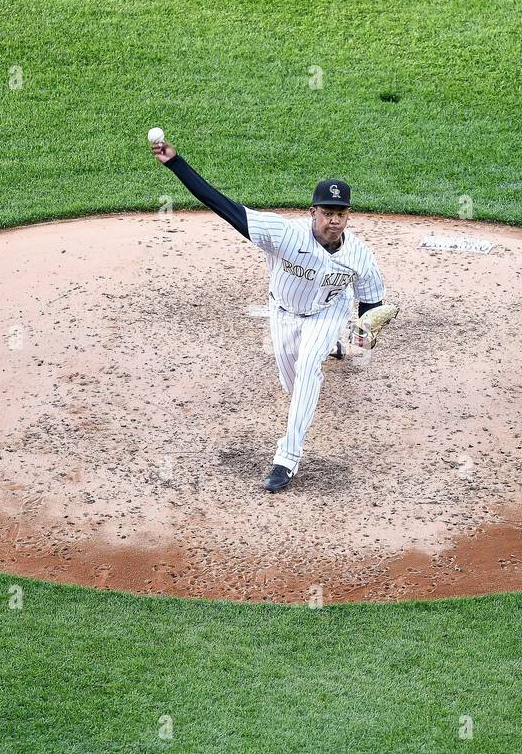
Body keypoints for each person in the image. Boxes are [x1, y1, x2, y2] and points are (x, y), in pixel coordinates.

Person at [152, 135, 386, 491]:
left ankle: (287, 458)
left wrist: (367, 327)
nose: (333, 221)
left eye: (340, 214)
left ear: (347, 216)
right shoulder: (284, 234)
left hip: (327, 312)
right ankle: (329, 350)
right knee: (292, 383)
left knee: (309, 370)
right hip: (284, 311)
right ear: (313, 213)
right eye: (327, 213)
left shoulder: (360, 256)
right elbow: (222, 204)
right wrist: (176, 163)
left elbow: (371, 302)